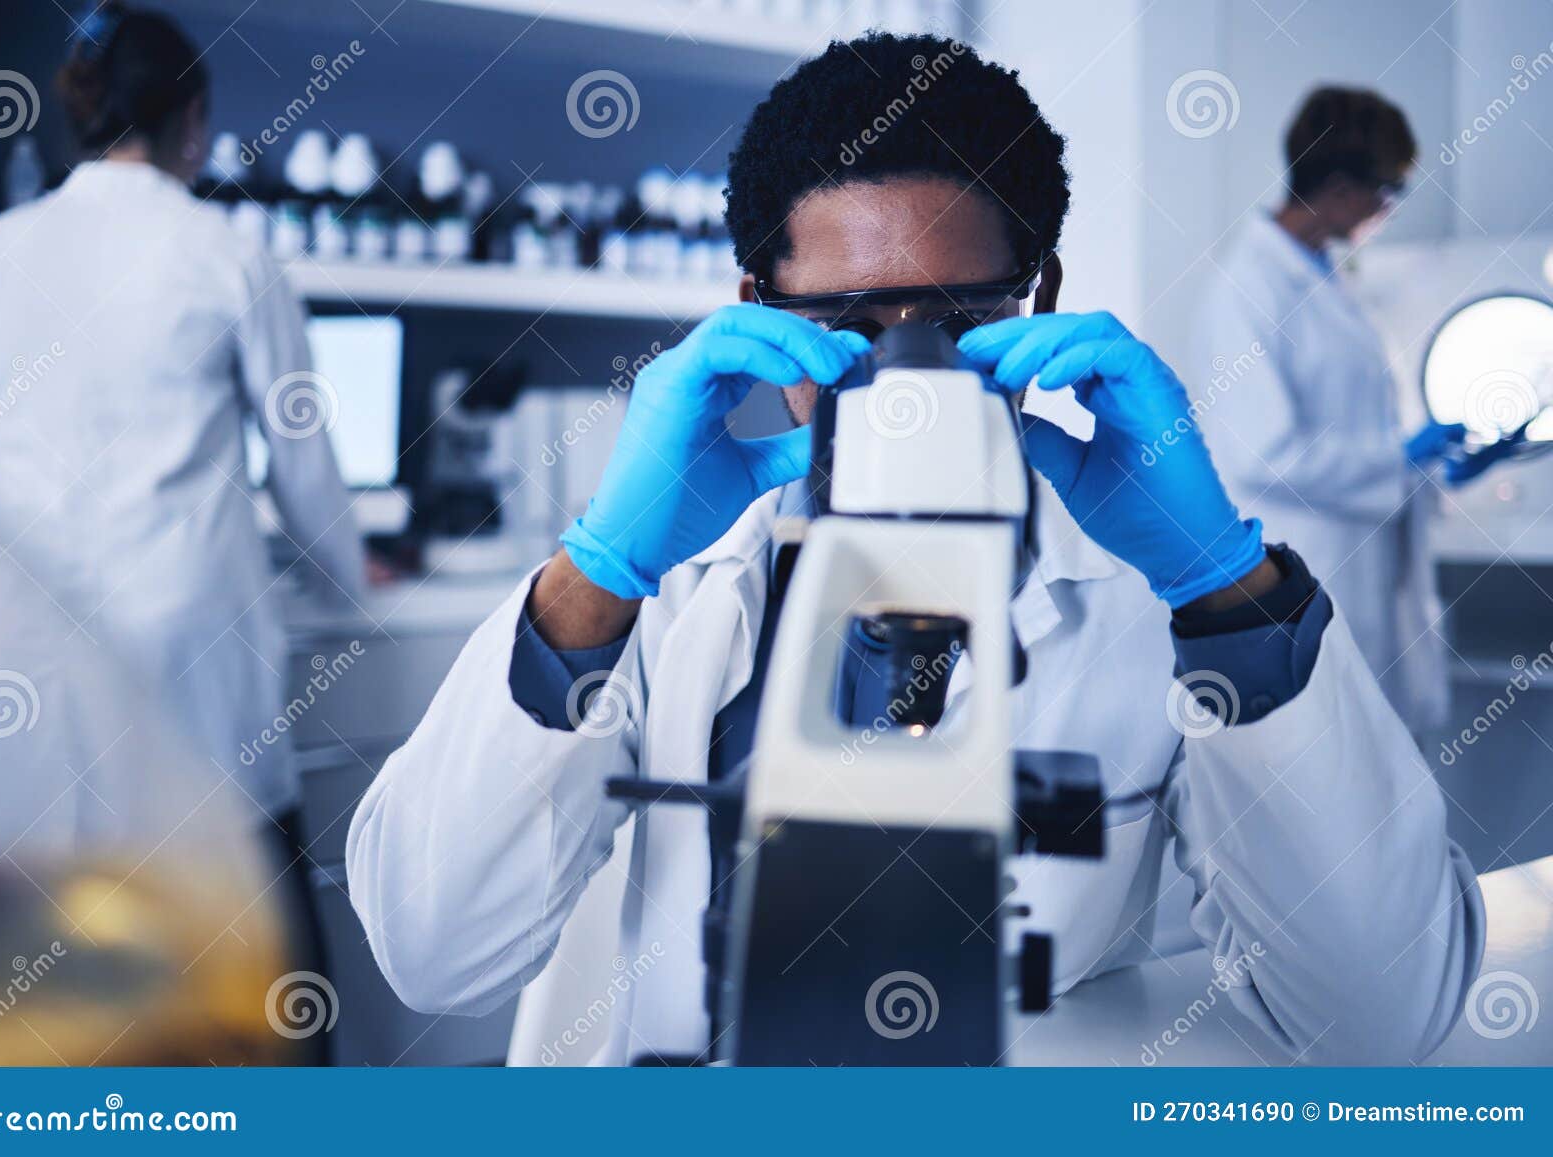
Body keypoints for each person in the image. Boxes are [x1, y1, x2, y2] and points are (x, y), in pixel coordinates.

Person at [347, 35, 1483, 1065]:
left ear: (1041, 297)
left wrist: (1223, 583)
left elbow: (1385, 1018)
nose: (903, 380)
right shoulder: (679, 595)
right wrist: (596, 571)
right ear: (753, 309)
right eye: (844, 332)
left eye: (959, 323)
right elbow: (433, 953)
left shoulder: (1145, 611)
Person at [0, 4, 360, 1038]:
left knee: (52, 961)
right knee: (252, 950)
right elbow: (301, 457)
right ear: (193, 119)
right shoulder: (225, 247)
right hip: (194, 639)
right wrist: (344, 582)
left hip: (32, 652)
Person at [1192, 86, 1514, 734]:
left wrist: (1440, 472)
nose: (1390, 208)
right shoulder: (1246, 287)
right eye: (1388, 190)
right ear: (1339, 187)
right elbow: (1265, 452)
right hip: (1306, 578)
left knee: (1383, 781)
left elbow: (1358, 441)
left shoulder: (1326, 276)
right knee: (1327, 781)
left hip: (1368, 580)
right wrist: (1400, 454)